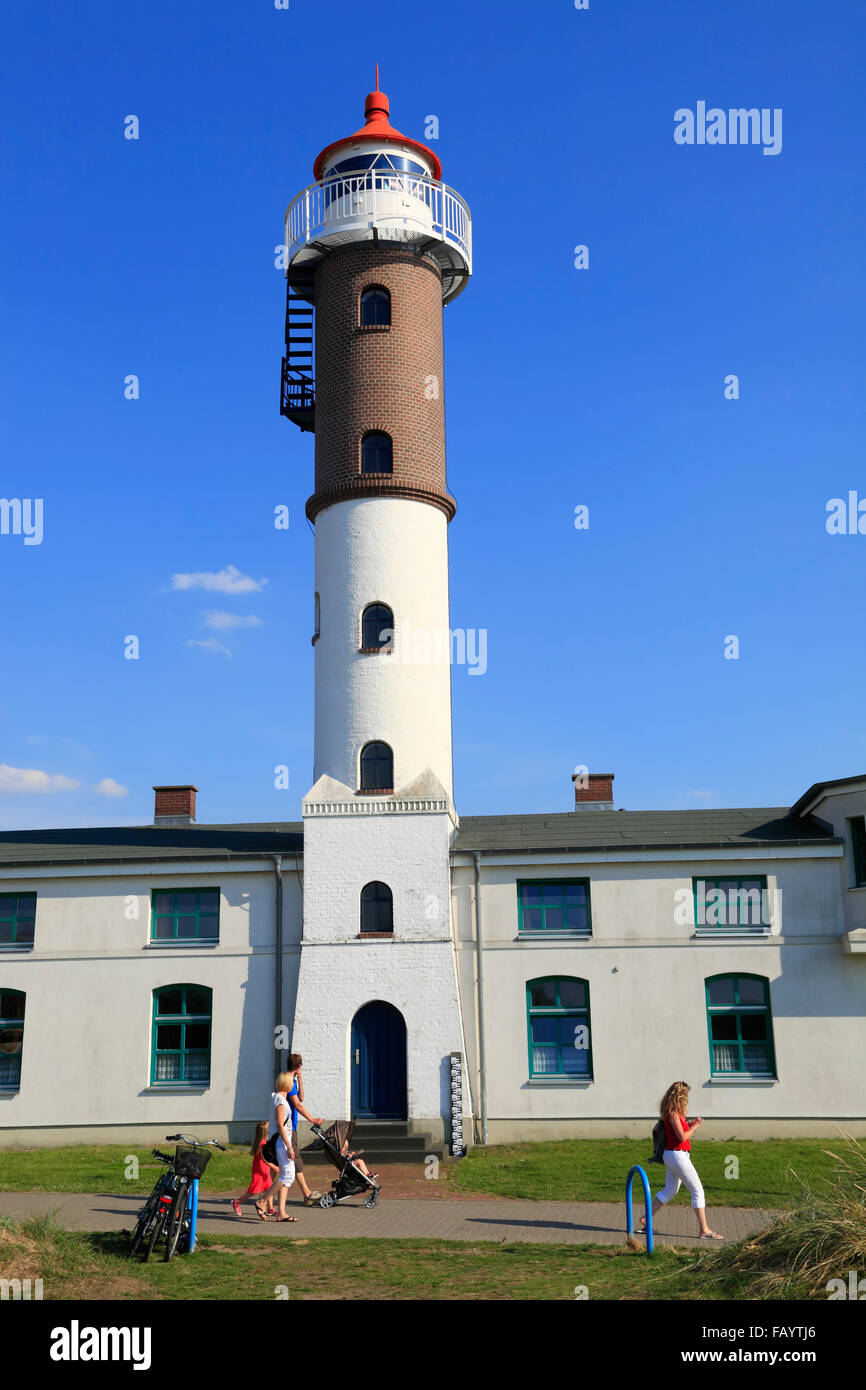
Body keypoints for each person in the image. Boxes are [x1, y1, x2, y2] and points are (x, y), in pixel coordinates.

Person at [640, 1080, 723, 1240]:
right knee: (697, 1190)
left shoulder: (673, 1113)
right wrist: (694, 1128)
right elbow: (682, 1137)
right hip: (677, 1155)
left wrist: (691, 1123)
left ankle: (646, 1219)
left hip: (674, 1155)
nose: (687, 1100)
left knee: (670, 1190)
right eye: (686, 1097)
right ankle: (704, 1230)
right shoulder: (674, 1114)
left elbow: (679, 1132)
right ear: (680, 1097)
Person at [285, 1053, 323, 1207]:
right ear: (299, 1065)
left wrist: (300, 1079)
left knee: (286, 1162)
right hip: (288, 1127)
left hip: (290, 1125)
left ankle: (266, 1196)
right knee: (296, 1160)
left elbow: (301, 1098)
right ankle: (307, 1194)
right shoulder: (288, 1081)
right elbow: (298, 1105)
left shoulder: (291, 1079)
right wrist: (312, 1120)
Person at [230, 1121, 279, 1220]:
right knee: (253, 1191)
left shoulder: (263, 1143)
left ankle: (270, 1209)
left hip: (264, 1171)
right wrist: (274, 1167)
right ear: (266, 1133)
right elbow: (265, 1159)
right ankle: (237, 1202)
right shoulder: (262, 1145)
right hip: (259, 1171)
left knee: (269, 1189)